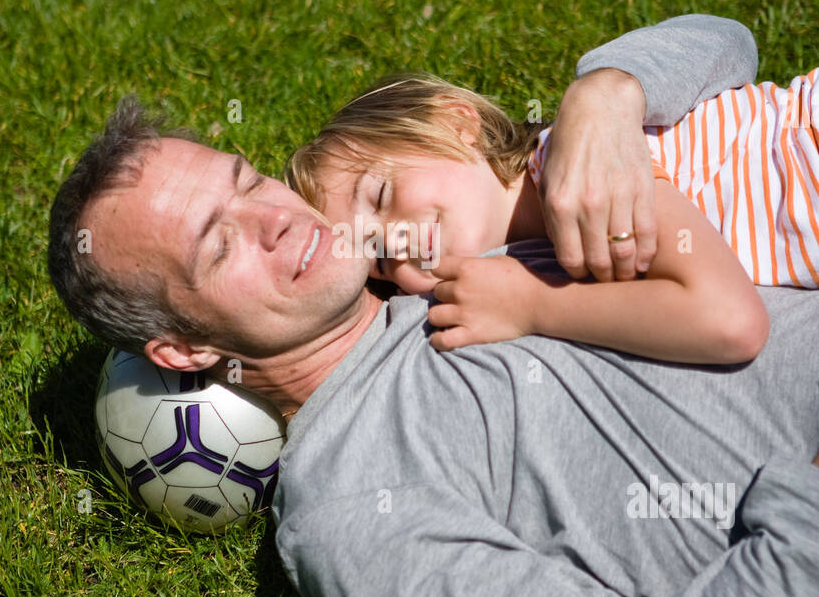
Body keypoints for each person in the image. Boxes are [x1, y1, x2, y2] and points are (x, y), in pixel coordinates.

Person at [46, 14, 819, 597]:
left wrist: (607, 95)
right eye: (219, 245)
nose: (274, 221)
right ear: (185, 351)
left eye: (248, 181)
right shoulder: (354, 507)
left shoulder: (459, 226)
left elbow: (726, 45)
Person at [286, 26, 819, 362]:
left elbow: (730, 323)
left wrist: (532, 306)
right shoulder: (546, 257)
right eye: (376, 256)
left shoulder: (572, 166)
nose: (395, 241)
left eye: (379, 195)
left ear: (454, 124)